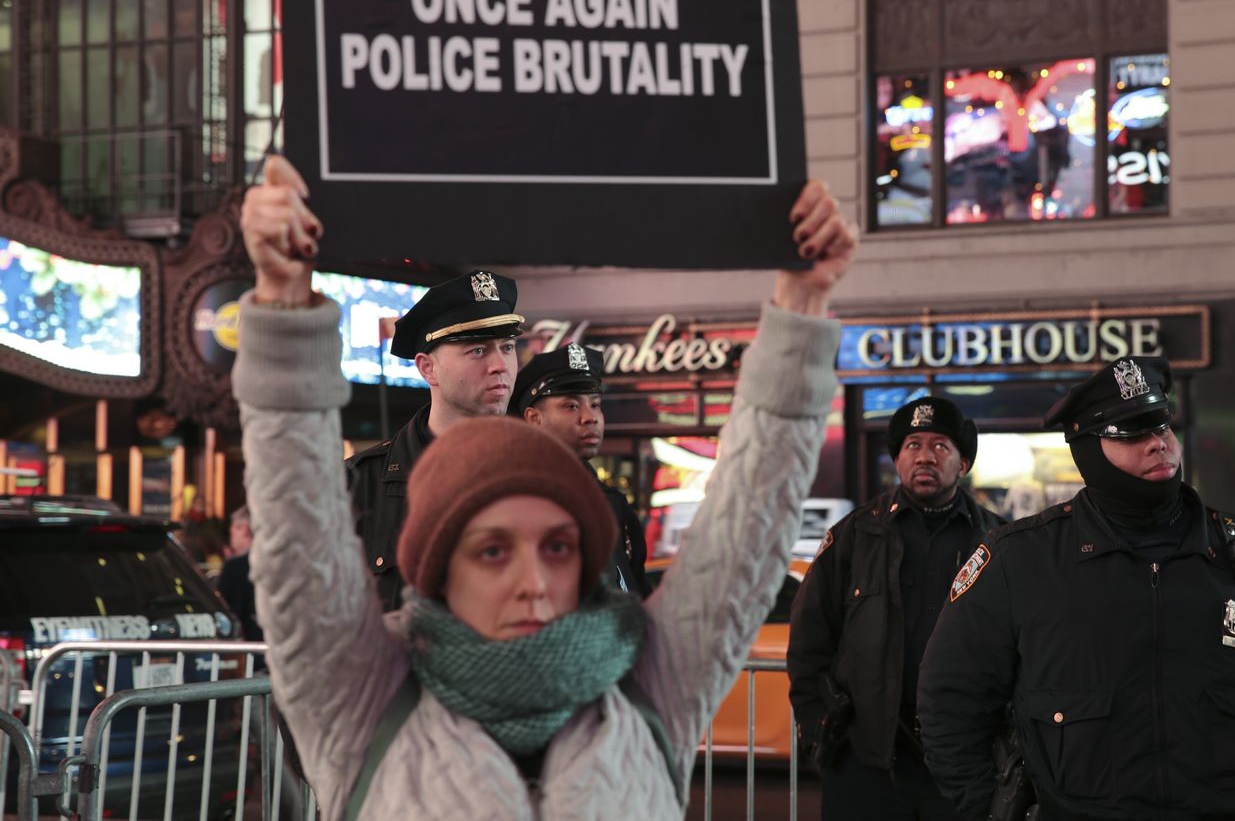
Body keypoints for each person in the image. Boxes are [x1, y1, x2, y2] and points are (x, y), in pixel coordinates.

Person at [234, 156, 857, 820]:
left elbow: (751, 522)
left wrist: (804, 302)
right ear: (436, 569)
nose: (533, 581)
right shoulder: (363, 703)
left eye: (559, 548)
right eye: (493, 551)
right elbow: (296, 527)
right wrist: (281, 297)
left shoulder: (652, 690)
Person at [917, 356, 1235, 821]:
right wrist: (990, 807)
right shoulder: (1019, 560)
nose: (1158, 444)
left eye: (1161, 427)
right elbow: (949, 699)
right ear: (1087, 450)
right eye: (1131, 434)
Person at [787, 397, 1004, 821]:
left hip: (965, 763)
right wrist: (819, 725)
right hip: (865, 761)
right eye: (913, 445)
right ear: (898, 459)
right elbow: (809, 639)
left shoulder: (996, 541)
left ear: (962, 464)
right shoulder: (853, 535)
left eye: (941, 446)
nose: (925, 455)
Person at [346, 267, 524, 610]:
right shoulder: (357, 486)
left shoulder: (548, 476)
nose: (500, 365)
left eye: (507, 347)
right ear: (428, 368)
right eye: (477, 351)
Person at [512, 343, 649, 596]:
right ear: (534, 419)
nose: (590, 417)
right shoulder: (516, 502)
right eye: (571, 406)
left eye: (595, 404)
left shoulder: (613, 505)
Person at [216, 505, 262, 641]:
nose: (231, 531)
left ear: (246, 530)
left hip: (246, 645)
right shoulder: (275, 563)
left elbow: (225, 609)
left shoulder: (235, 567)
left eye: (235, 528)